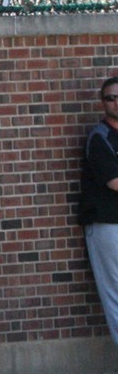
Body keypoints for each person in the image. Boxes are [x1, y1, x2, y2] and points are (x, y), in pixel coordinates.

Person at [79, 76, 118, 345]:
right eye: (110, 98)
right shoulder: (99, 137)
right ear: (102, 103)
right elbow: (114, 181)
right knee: (115, 291)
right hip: (107, 223)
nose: (116, 102)